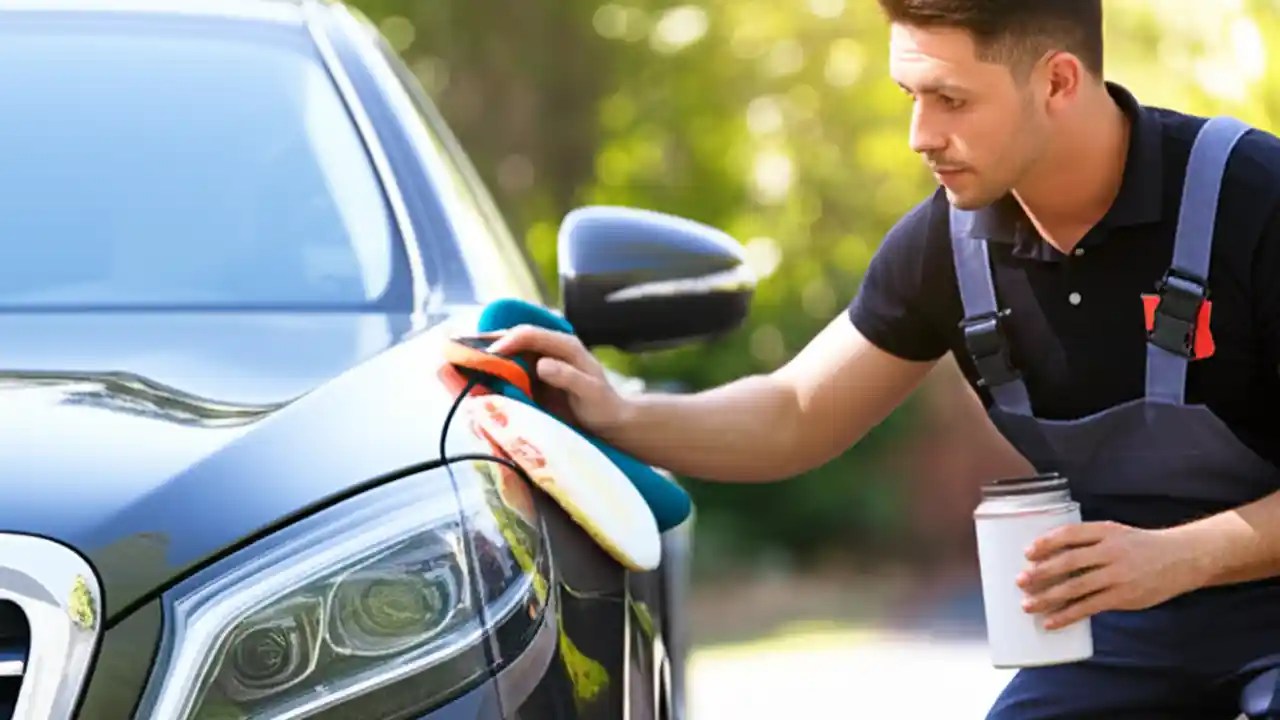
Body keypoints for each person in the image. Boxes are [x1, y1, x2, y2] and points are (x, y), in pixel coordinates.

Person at [488, 0, 1280, 716]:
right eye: (912, 98)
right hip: (1126, 634)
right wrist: (615, 414)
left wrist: (1174, 557)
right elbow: (793, 414)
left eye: (952, 100)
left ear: (1059, 82)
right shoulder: (946, 246)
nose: (921, 136)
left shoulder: (1254, 199)